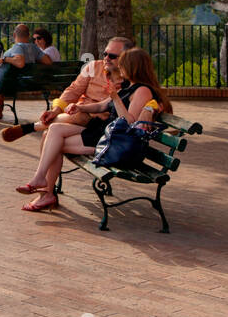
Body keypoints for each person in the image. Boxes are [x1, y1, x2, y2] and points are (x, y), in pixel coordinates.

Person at [16, 47, 171, 211]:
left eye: (123, 64)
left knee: (53, 143)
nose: (120, 67)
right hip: (102, 131)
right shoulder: (127, 86)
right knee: (54, 130)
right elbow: (102, 105)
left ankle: (45, 190)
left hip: (113, 141)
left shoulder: (142, 91)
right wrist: (80, 108)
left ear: (133, 67)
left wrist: (116, 98)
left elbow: (129, 122)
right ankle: (39, 178)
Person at [0, 35, 133, 143]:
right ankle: (43, 177)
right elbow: (74, 90)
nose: (106, 58)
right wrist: (56, 110)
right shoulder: (93, 66)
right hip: (77, 113)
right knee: (48, 134)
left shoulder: (130, 80)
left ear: (126, 57)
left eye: (112, 56)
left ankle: (33, 127)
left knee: (58, 128)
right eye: (105, 54)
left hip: (100, 123)